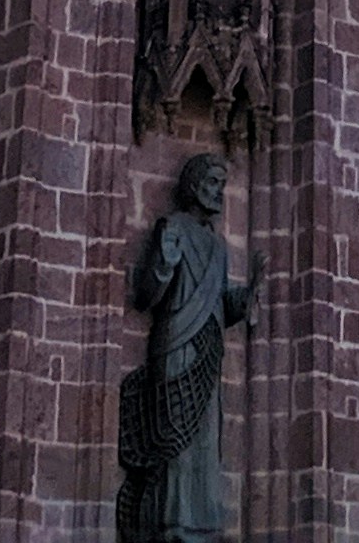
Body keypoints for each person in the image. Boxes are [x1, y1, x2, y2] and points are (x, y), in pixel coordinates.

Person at [119, 153, 254, 543]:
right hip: (176, 344)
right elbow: (148, 294)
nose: (218, 194)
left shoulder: (218, 246)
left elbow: (220, 301)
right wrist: (164, 261)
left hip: (207, 349)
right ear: (193, 186)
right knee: (173, 435)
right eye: (212, 184)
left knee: (205, 441)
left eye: (222, 186)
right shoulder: (172, 227)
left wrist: (246, 298)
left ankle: (201, 524)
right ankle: (167, 523)